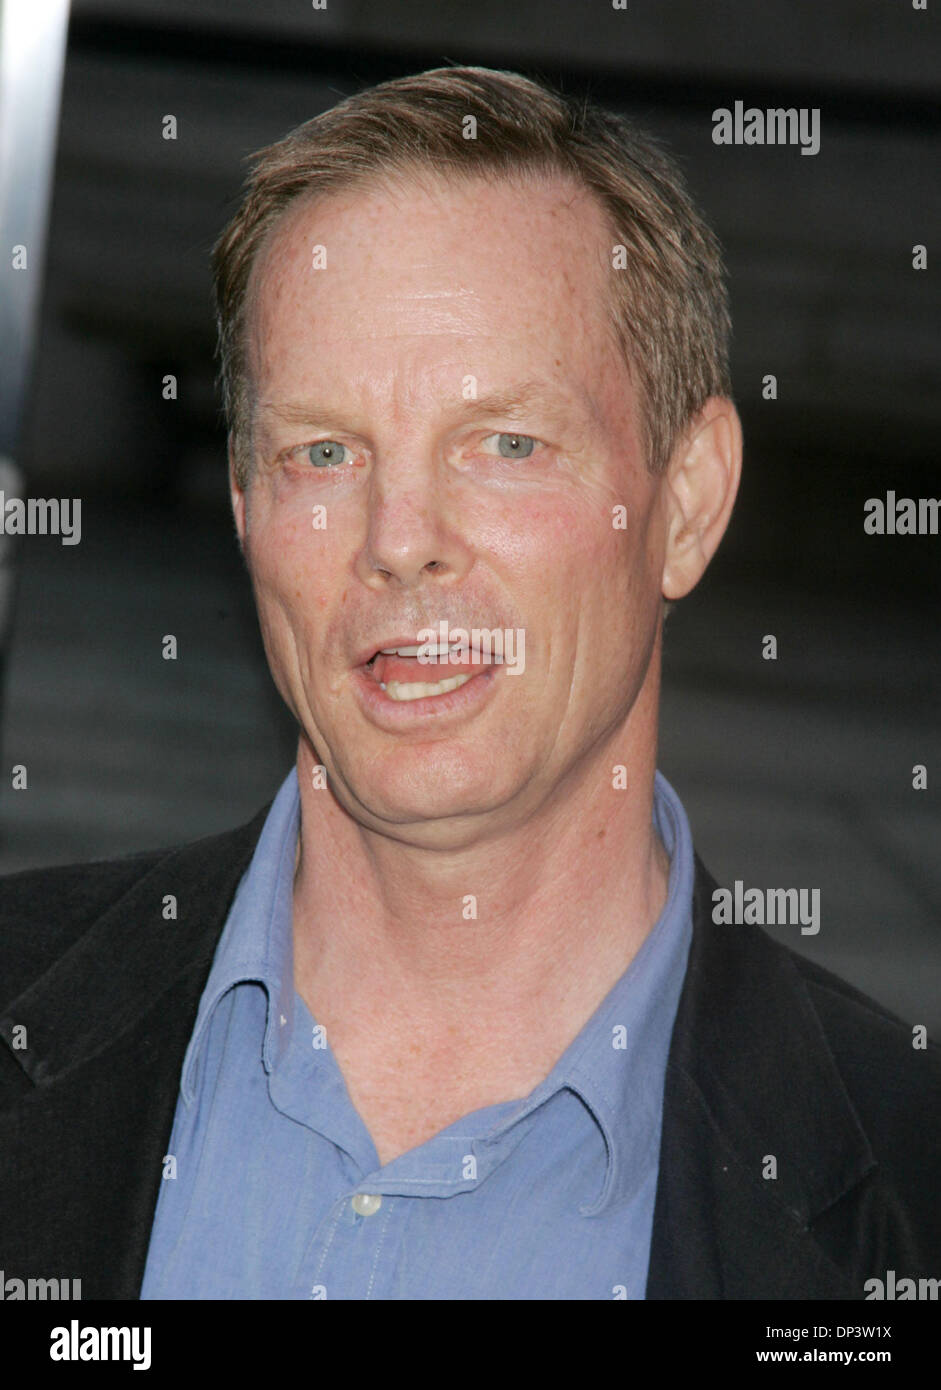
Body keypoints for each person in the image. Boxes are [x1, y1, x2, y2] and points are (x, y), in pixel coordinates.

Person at [1, 66, 937, 1301]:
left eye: (505, 443)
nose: (398, 536)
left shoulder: (904, 1189)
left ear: (688, 502)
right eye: (320, 451)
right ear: (244, 508)